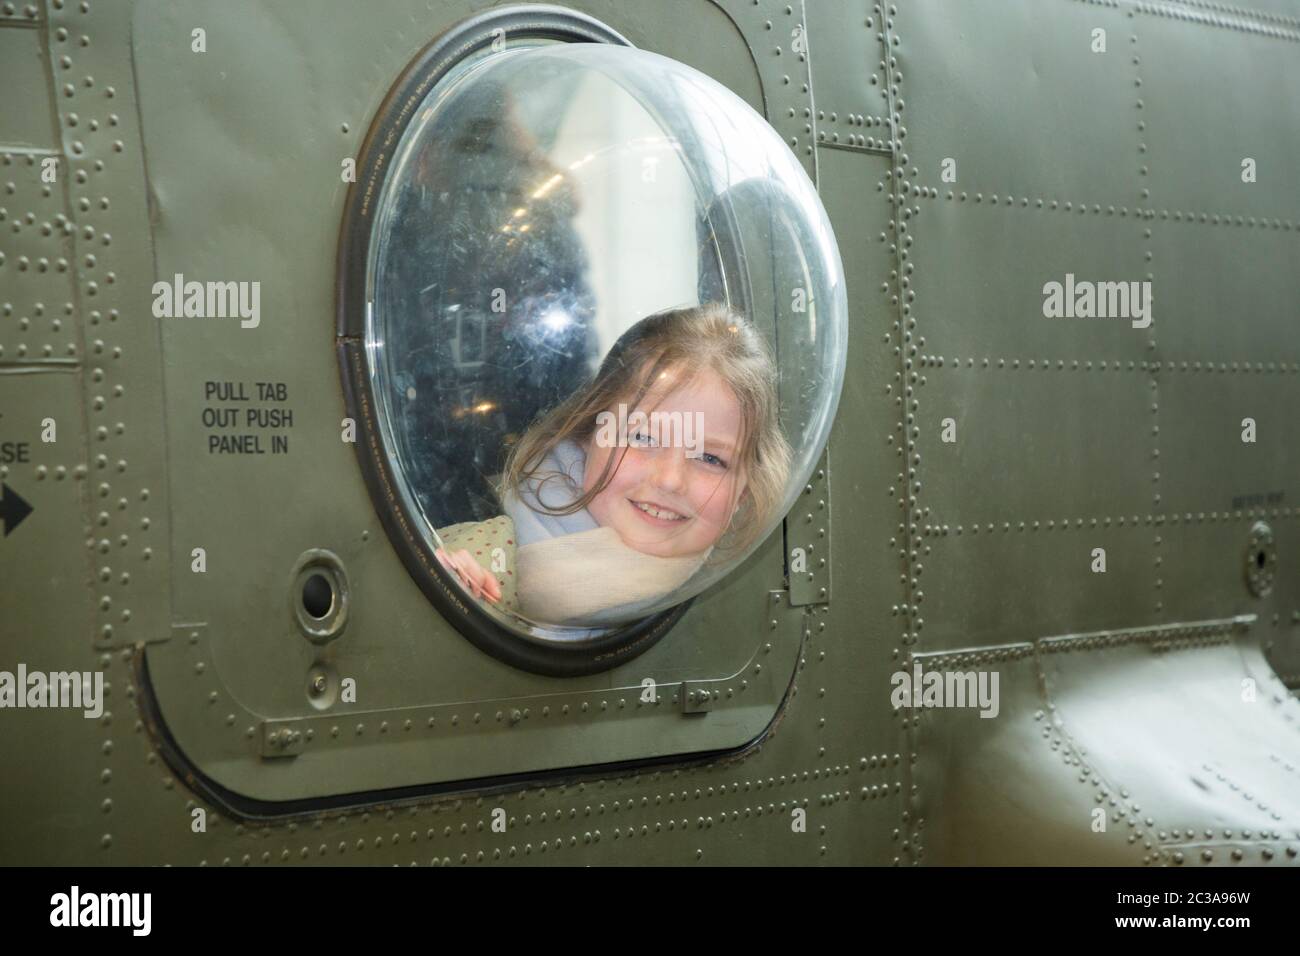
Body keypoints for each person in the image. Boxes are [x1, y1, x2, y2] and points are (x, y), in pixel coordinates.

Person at [434, 302, 791, 627]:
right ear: (587, 434)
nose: (669, 479)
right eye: (642, 438)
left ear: (744, 491)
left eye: (711, 458)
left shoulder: (743, 619)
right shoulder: (477, 555)